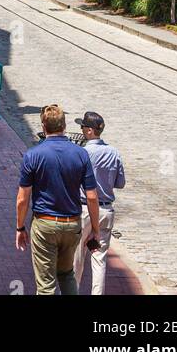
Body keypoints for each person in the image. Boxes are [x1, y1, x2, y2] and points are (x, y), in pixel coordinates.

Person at [15, 104, 100, 296]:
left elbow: (22, 198)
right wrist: (95, 229)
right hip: (71, 224)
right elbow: (92, 196)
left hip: (45, 223)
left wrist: (20, 227)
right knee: (66, 273)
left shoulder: (33, 155)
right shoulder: (81, 154)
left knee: (46, 284)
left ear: (44, 127)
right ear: (64, 125)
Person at [72, 111, 126, 295]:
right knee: (99, 260)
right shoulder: (114, 152)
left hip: (85, 210)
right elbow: (120, 183)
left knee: (76, 259)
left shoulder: (82, 153)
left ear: (88, 131)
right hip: (106, 211)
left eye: (82, 127)